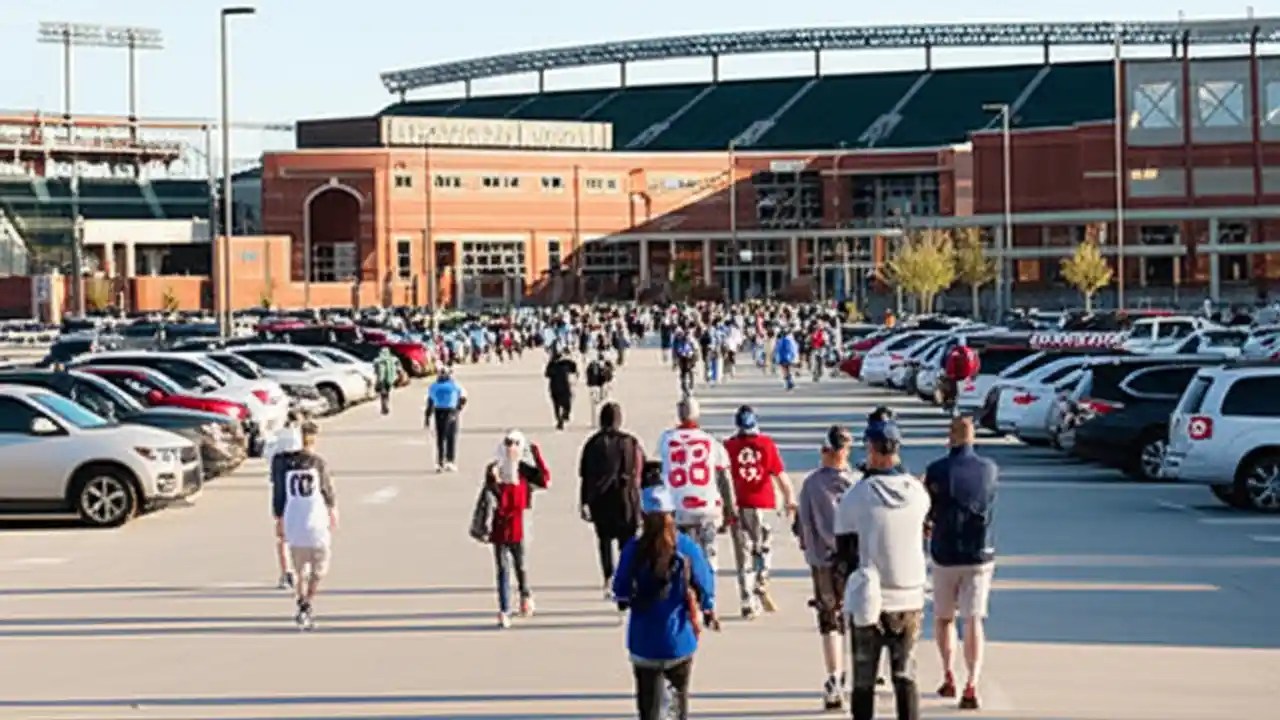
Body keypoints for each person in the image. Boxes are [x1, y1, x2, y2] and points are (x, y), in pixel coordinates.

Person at [835, 420, 930, 720]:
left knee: (864, 680)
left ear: (873, 450)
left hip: (870, 596)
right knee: (905, 675)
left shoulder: (858, 494)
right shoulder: (917, 492)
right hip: (911, 594)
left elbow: (844, 549)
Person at [612, 484, 718, 720]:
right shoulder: (687, 548)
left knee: (648, 707)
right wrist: (708, 607)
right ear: (673, 514)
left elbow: (620, 590)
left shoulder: (634, 549)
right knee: (678, 705)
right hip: (679, 641)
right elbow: (706, 585)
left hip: (643, 642)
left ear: (643, 515)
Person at [924, 417, 998, 711]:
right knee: (974, 619)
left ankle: (948, 674)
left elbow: (926, 507)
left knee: (944, 618)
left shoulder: (937, 470)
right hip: (980, 552)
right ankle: (973, 681)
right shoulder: (990, 469)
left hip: (945, 552)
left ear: (949, 437)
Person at [795, 425, 856, 711]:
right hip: (856, 559)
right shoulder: (857, 482)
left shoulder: (812, 484)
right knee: (857, 619)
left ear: (828, 452)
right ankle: (863, 676)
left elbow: (804, 525)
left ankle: (834, 678)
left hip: (823, 561)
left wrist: (810, 548)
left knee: (829, 619)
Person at [723, 404, 797, 619]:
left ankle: (747, 600)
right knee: (763, 545)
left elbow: (721, 479)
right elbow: (780, 476)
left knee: (742, 553)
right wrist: (790, 500)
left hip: (738, 505)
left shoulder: (728, 446)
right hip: (762, 503)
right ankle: (762, 578)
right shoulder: (766, 444)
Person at [270, 420, 338, 631]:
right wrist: (333, 510)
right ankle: (307, 601)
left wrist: (279, 517)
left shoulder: (282, 465)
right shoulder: (318, 464)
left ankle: (302, 603)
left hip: (294, 522)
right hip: (315, 524)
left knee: (301, 571)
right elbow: (327, 490)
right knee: (319, 570)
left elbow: (278, 494)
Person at [657, 397, 735, 574]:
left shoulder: (666, 439)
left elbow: (656, 473)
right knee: (709, 552)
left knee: (676, 553)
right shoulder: (711, 441)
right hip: (707, 508)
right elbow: (724, 478)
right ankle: (709, 591)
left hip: (676, 507)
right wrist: (730, 510)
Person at [579, 401, 644, 596]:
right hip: (626, 499)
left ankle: (608, 577)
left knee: (604, 540)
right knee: (627, 541)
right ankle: (626, 578)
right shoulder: (630, 442)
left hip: (600, 500)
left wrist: (583, 502)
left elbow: (585, 475)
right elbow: (639, 471)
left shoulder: (592, 444)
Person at [483, 431, 541, 628]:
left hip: (519, 528)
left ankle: (525, 596)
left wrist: (537, 455)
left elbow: (545, 479)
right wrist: (495, 481)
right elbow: (491, 499)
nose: (511, 447)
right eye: (508, 443)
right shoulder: (494, 471)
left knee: (520, 566)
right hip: (500, 531)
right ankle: (504, 609)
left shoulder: (524, 472)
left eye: (516, 443)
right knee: (502, 571)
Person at [264, 409, 304, 589]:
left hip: (284, 503)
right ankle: (299, 571)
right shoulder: (306, 460)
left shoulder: (277, 460)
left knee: (283, 538)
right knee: (299, 539)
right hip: (304, 505)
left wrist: (278, 511)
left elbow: (276, 485)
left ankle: (287, 572)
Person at [424, 366, 467, 472]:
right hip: (451, 411)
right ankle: (450, 461)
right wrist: (459, 408)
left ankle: (440, 462)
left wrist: (427, 417)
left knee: (440, 438)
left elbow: (430, 403)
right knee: (451, 437)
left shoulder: (433, 387)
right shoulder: (454, 386)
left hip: (439, 412)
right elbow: (463, 398)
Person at [544, 348, 579, 430]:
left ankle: (560, 419)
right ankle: (562, 418)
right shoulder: (565, 363)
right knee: (566, 405)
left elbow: (547, 374)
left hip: (555, 388)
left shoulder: (553, 365)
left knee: (557, 406)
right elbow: (574, 367)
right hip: (564, 387)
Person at [585, 350, 615, 418]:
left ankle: (594, 421)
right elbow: (609, 376)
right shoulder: (606, 365)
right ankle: (601, 420)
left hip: (593, 386)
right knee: (603, 403)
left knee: (594, 405)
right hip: (602, 386)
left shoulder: (591, 365)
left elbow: (587, 374)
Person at [373, 346, 399, 415]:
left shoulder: (377, 360)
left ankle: (384, 407)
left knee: (382, 394)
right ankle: (386, 406)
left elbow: (375, 370)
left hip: (381, 379)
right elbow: (397, 366)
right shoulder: (392, 359)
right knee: (387, 393)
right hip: (389, 379)